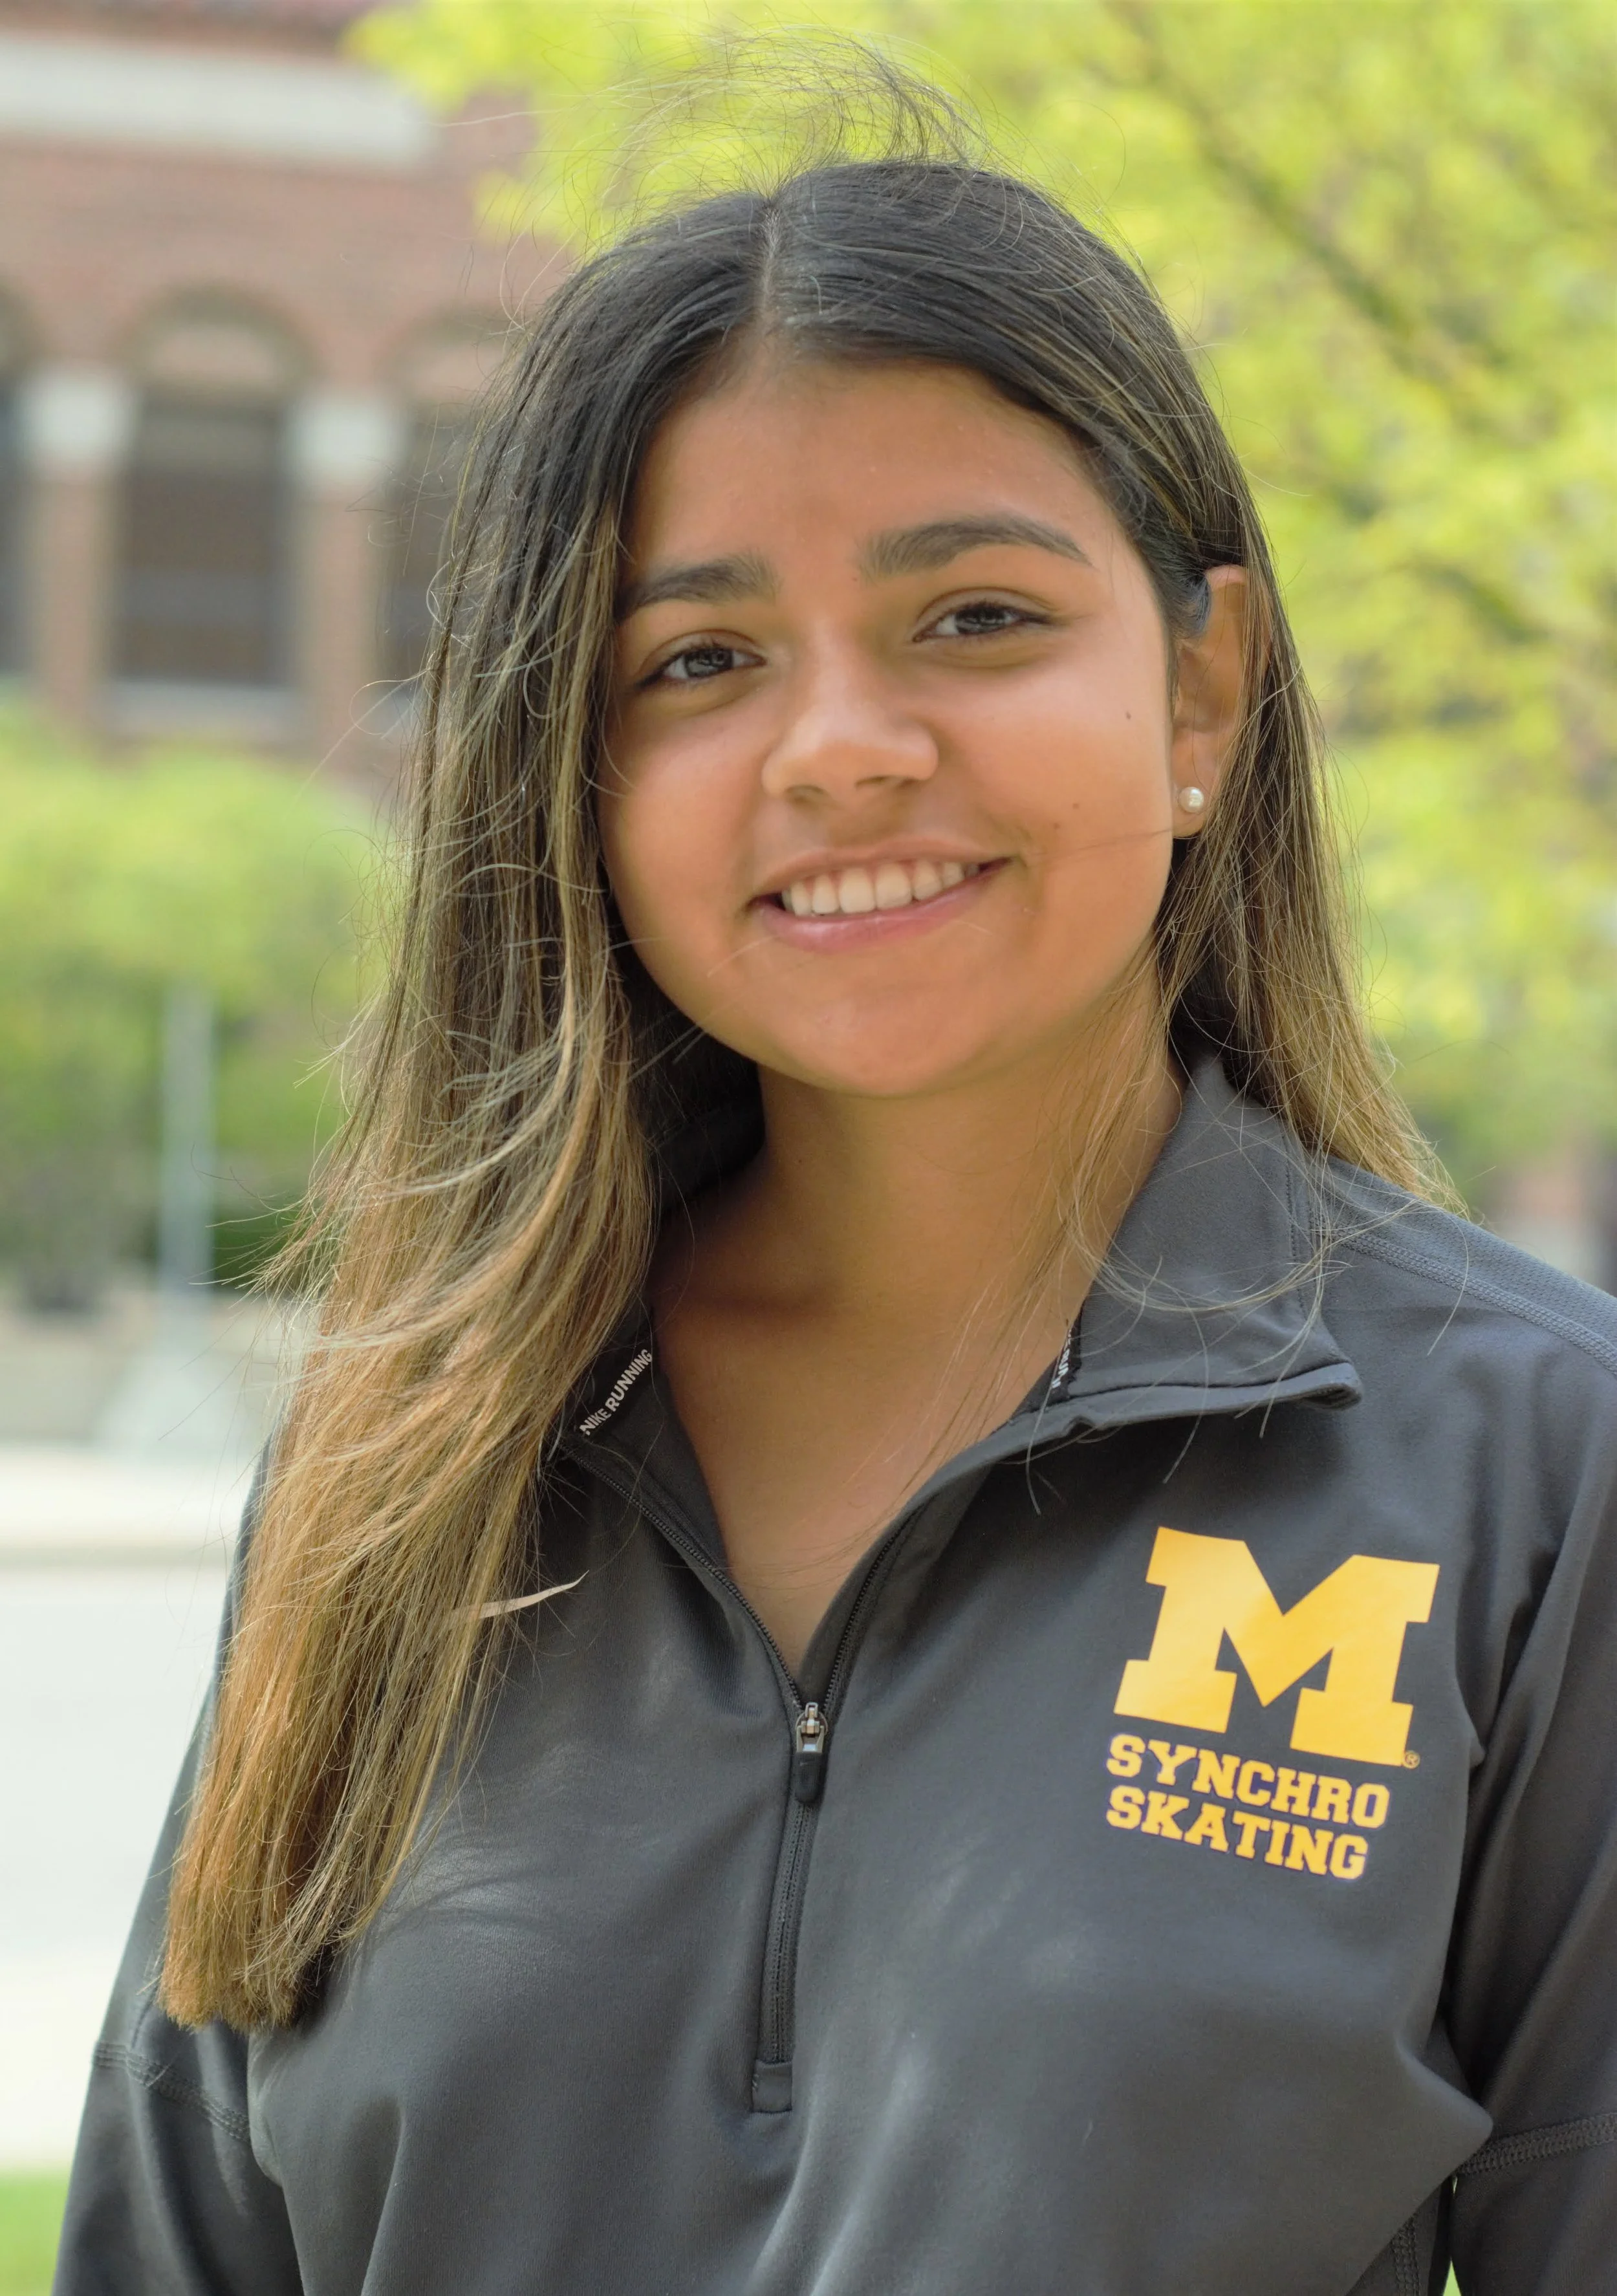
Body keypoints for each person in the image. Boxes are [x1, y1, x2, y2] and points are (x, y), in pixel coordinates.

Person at [56, 118, 1616, 2296]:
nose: (842, 747)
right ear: (570, 773)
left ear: (1200, 689)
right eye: (697, 661)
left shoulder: (1532, 1474)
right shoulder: (406, 1457)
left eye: (971, 616)